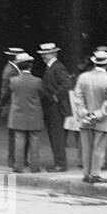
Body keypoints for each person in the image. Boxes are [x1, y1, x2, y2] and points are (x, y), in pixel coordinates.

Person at [74, 50, 107, 183]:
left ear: (94, 63)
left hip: (85, 118)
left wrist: (84, 113)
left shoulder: (83, 77)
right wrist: (97, 115)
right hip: (102, 119)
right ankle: (95, 173)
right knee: (99, 148)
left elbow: (78, 97)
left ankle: (86, 173)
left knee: (86, 147)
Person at [6, 52, 44, 172]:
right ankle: (34, 167)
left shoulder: (13, 81)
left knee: (19, 141)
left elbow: (8, 94)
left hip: (18, 115)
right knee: (35, 141)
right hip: (34, 115)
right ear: (30, 67)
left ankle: (18, 166)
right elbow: (43, 95)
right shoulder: (38, 81)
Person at [38, 42, 71, 172]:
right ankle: (58, 162)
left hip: (55, 107)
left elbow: (66, 83)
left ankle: (60, 164)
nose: (43, 57)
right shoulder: (51, 67)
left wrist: (55, 97)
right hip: (51, 106)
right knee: (54, 135)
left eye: (45, 54)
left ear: (52, 54)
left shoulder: (58, 67)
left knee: (57, 136)